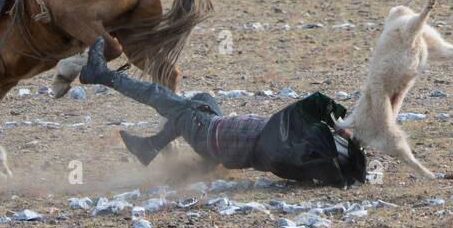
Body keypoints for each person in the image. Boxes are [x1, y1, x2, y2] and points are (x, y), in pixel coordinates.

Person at [78, 38, 368, 187]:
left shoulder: (289, 134)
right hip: (222, 143)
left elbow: (317, 102)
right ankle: (152, 146)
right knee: (201, 99)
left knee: (164, 99)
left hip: (211, 135)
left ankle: (100, 75)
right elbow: (336, 170)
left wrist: (341, 123)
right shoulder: (298, 162)